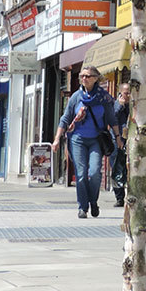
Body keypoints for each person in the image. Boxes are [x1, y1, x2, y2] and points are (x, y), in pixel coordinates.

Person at [51, 69, 121, 218]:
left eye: (88, 76)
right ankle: (83, 207)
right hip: (78, 140)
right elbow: (65, 118)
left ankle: (93, 201)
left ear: (96, 78)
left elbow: (112, 119)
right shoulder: (76, 97)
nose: (84, 78)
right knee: (81, 175)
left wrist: (118, 136)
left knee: (95, 173)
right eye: (82, 76)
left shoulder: (103, 98)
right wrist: (57, 139)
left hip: (96, 139)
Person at [112, 81, 131, 206]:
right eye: (126, 93)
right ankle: (119, 197)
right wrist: (120, 106)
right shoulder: (115, 105)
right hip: (117, 141)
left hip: (130, 141)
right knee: (117, 169)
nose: (128, 95)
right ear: (120, 93)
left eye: (130, 93)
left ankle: (131, 196)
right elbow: (112, 118)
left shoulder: (134, 106)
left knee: (129, 169)